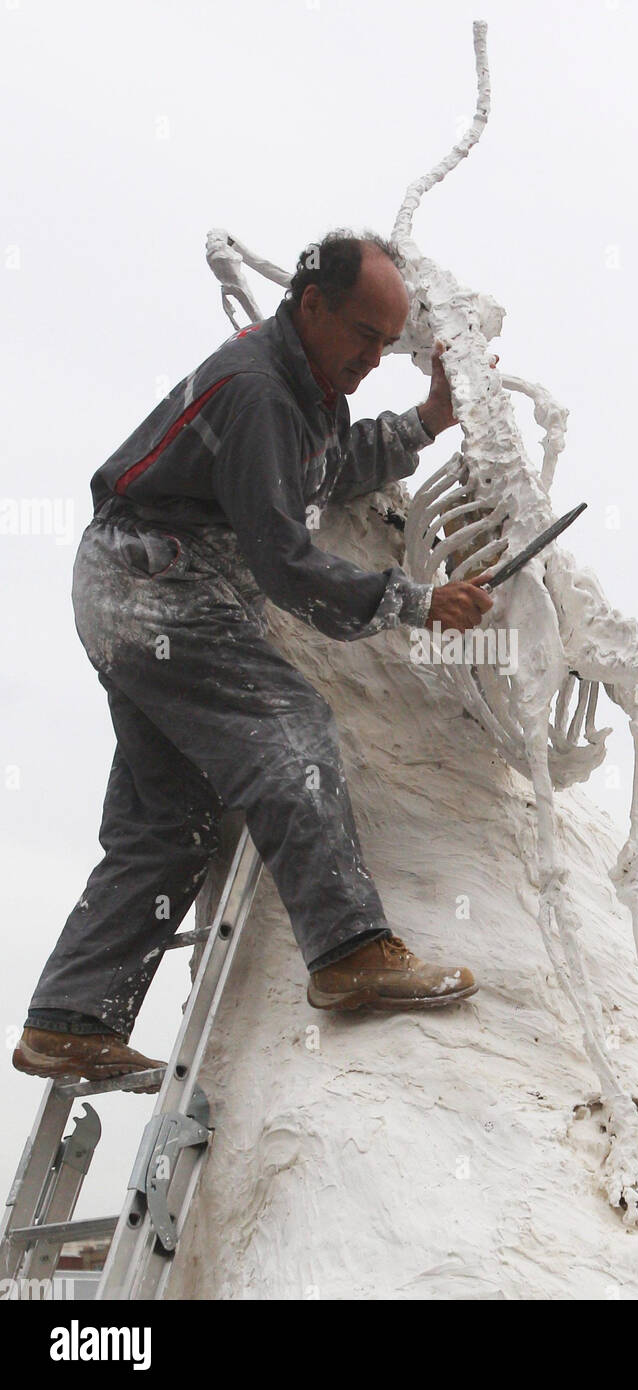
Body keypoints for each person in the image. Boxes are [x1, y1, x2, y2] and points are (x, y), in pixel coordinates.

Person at [12, 231, 493, 1088]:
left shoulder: (300, 385)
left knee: (168, 815)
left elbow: (322, 471)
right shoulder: (261, 390)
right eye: (363, 335)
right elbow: (282, 558)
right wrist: (415, 602)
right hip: (156, 588)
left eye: (388, 343)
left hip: (130, 591)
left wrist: (425, 421)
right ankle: (348, 951)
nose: (374, 358)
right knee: (290, 726)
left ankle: (70, 1019)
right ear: (312, 304)